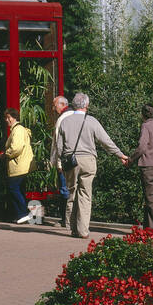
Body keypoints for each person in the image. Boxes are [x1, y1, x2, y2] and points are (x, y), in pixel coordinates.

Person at [55, 92, 128, 239]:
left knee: (72, 193)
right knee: (85, 195)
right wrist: (120, 154)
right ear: (87, 106)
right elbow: (105, 141)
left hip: (71, 161)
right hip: (88, 160)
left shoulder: (64, 122)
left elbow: (59, 147)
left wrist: (60, 161)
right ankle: (82, 230)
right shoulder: (92, 121)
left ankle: (73, 228)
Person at [125, 104, 153, 231]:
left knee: (151, 199)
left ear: (143, 114)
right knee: (151, 197)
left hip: (149, 166)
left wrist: (131, 159)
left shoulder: (146, 126)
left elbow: (142, 147)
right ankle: (149, 229)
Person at [0, 107, 34, 223]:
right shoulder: (19, 129)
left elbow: (16, 148)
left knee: (13, 188)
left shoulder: (17, 130)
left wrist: (6, 154)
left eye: (8, 117)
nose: (6, 120)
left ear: (14, 118)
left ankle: (24, 213)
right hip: (21, 164)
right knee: (18, 189)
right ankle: (21, 214)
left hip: (18, 165)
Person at [47, 94, 73, 225]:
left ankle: (65, 219)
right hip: (77, 160)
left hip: (64, 162)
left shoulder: (62, 119)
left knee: (64, 189)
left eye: (54, 105)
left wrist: (57, 163)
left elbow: (57, 144)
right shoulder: (76, 116)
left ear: (62, 105)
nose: (53, 108)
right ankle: (72, 219)